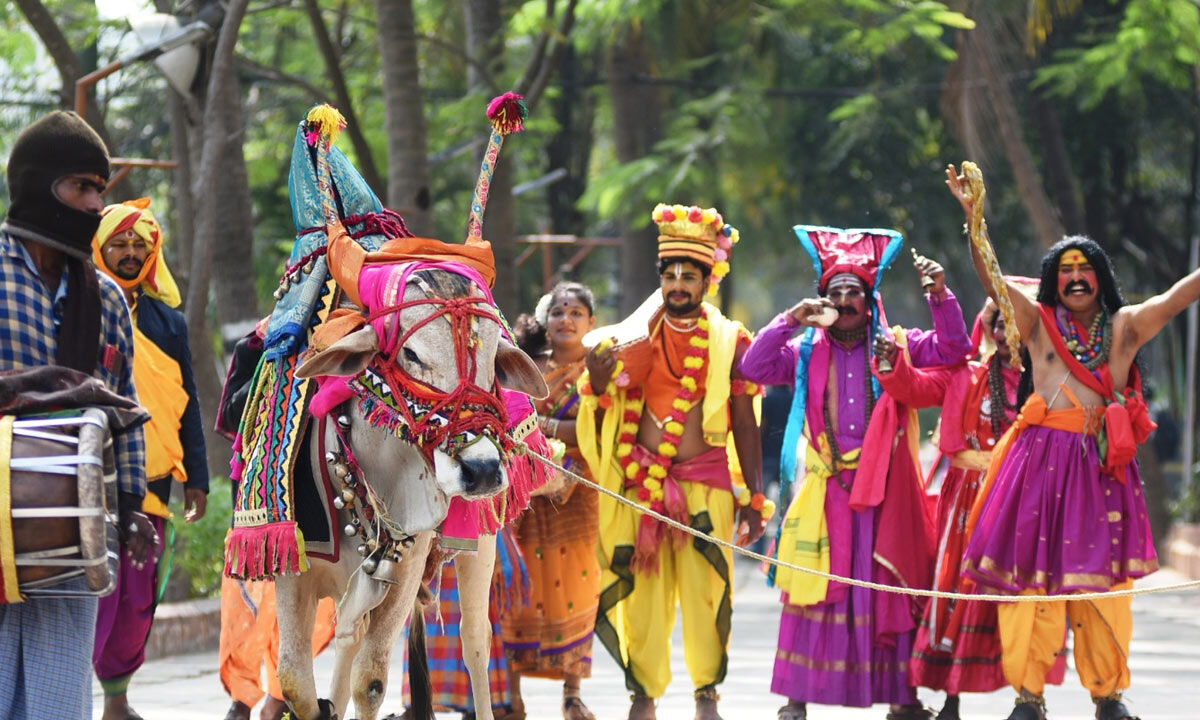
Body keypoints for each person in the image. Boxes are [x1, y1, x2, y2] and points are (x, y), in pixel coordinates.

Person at [947, 164, 1200, 720]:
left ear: (1102, 276)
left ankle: (1108, 695)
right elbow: (992, 278)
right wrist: (974, 221)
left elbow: (1179, 297)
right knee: (1027, 589)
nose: (1077, 278)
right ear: (1052, 280)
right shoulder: (1036, 325)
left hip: (1100, 470)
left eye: (1087, 268)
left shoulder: (1127, 326)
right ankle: (1028, 697)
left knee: (1104, 587)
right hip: (1037, 465)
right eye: (1066, 270)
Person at [738, 226, 972, 720]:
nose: (844, 301)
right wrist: (789, 319)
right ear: (823, 299)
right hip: (825, 492)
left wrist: (940, 295)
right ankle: (796, 700)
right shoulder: (804, 350)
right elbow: (754, 367)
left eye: (854, 292)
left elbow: (955, 351)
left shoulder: (898, 345)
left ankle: (901, 700)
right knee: (814, 587)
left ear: (870, 299)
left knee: (888, 586)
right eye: (834, 293)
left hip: (885, 493)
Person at [576, 203, 766, 720]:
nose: (678, 284)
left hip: (707, 484)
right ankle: (644, 694)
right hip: (644, 488)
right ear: (659, 280)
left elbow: (746, 424)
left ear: (709, 280)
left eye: (689, 275)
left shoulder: (732, 341)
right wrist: (595, 378)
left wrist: (754, 498)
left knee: (709, 594)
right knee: (645, 598)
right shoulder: (630, 341)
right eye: (670, 275)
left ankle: (707, 693)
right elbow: (602, 401)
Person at [0, 110, 157, 719]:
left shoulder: (108, 299)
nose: (94, 204)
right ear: (39, 185)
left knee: (60, 700)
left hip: (75, 531)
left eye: (100, 189)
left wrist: (132, 507)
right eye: (82, 187)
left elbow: (125, 409)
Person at [873, 288, 1066, 720]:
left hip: (1024, 499)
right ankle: (951, 700)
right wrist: (891, 363)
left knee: (1023, 596)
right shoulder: (966, 375)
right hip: (967, 501)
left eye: (1011, 320)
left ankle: (1029, 698)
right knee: (958, 593)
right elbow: (914, 387)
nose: (1003, 330)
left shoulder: (1052, 378)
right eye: (996, 321)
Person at [89, 197, 208, 720]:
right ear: (99, 247)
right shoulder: (80, 309)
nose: (131, 252)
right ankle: (68, 697)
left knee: (138, 603)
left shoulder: (170, 323)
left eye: (141, 244)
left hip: (156, 485)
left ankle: (118, 701)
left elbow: (189, 404)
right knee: (97, 599)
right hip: (92, 481)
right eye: (120, 243)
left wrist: (198, 479)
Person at [504, 281, 601, 720]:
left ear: (591, 323)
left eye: (576, 312)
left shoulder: (599, 371)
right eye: (559, 311)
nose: (567, 319)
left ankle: (572, 693)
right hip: (524, 491)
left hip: (579, 493)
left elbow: (597, 432)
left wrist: (542, 426)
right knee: (520, 586)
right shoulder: (525, 368)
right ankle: (511, 695)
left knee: (577, 587)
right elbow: (506, 417)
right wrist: (555, 430)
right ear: (546, 318)